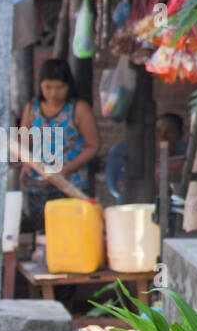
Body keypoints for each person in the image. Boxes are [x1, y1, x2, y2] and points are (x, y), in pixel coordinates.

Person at [19, 58, 100, 224]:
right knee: (43, 230)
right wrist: (26, 163)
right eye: (48, 87)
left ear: (68, 86)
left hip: (71, 184)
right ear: (40, 84)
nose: (53, 93)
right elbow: (24, 141)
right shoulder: (32, 108)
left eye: (59, 88)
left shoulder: (79, 109)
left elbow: (93, 146)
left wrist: (67, 168)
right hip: (38, 183)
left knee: (70, 229)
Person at [104, 112, 187, 202]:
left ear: (180, 135)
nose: (162, 135)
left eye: (169, 131)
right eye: (158, 130)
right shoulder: (138, 159)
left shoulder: (182, 162)